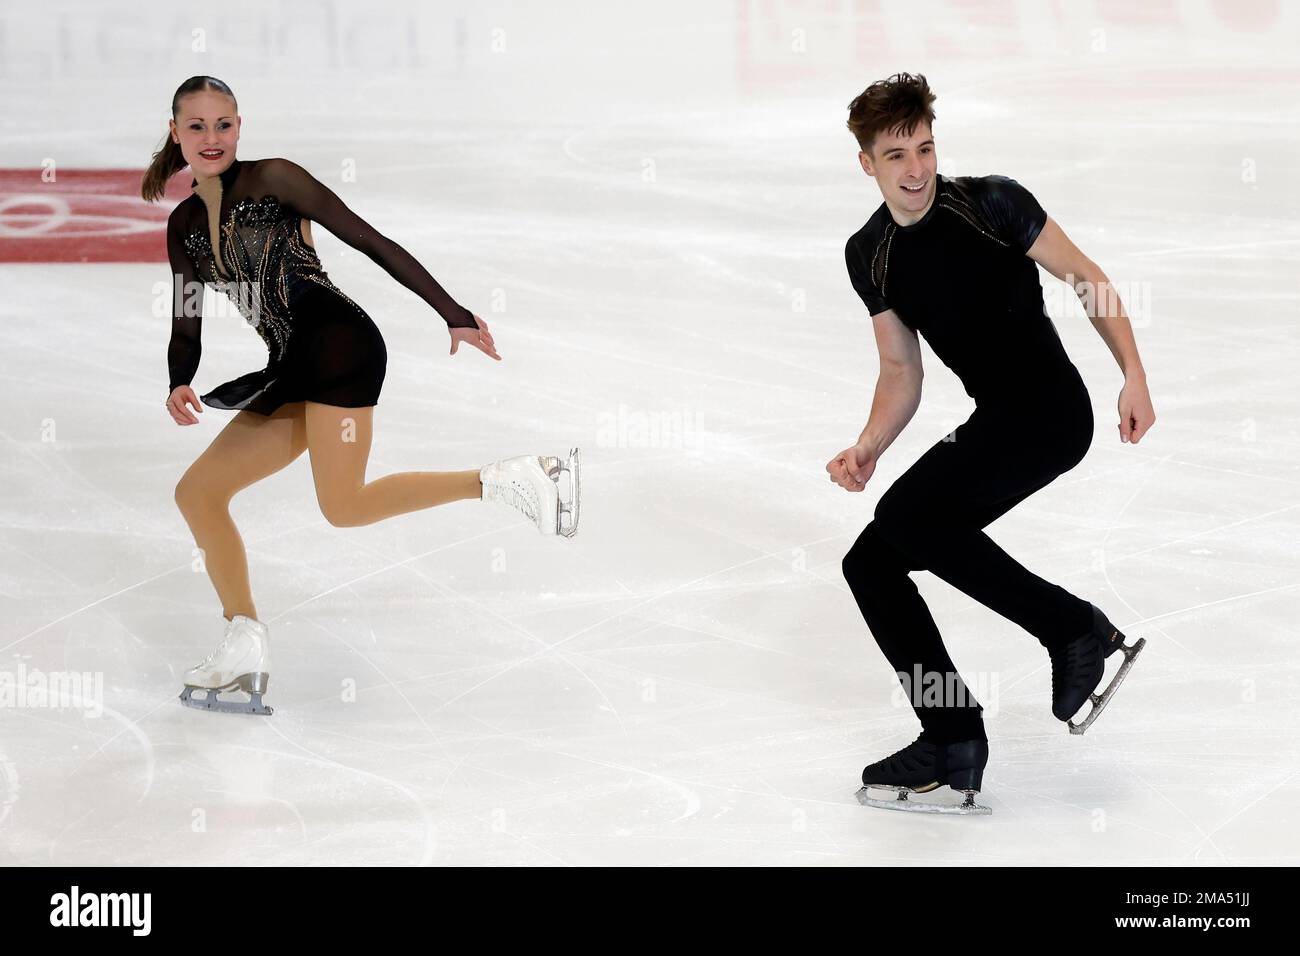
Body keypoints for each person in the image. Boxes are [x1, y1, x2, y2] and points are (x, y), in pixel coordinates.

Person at [142, 76, 580, 716]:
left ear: (240, 126)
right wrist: (179, 378)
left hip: (340, 343)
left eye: (224, 125)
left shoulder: (276, 179)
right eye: (198, 127)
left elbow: (368, 240)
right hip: (293, 361)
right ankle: (243, 640)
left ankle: (516, 479)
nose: (212, 139)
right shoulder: (182, 226)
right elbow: (187, 317)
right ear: (175, 130)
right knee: (200, 493)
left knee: (343, 505)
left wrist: (451, 311)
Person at [829, 73, 1152, 814]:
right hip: (994, 420)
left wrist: (1132, 373)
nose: (915, 170)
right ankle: (951, 735)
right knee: (871, 563)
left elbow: (1087, 278)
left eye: (924, 148)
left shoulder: (991, 202)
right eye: (896, 154)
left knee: (910, 524)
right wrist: (869, 444)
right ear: (866, 164)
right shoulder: (868, 254)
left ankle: (1073, 630)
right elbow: (900, 370)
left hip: (1050, 412)